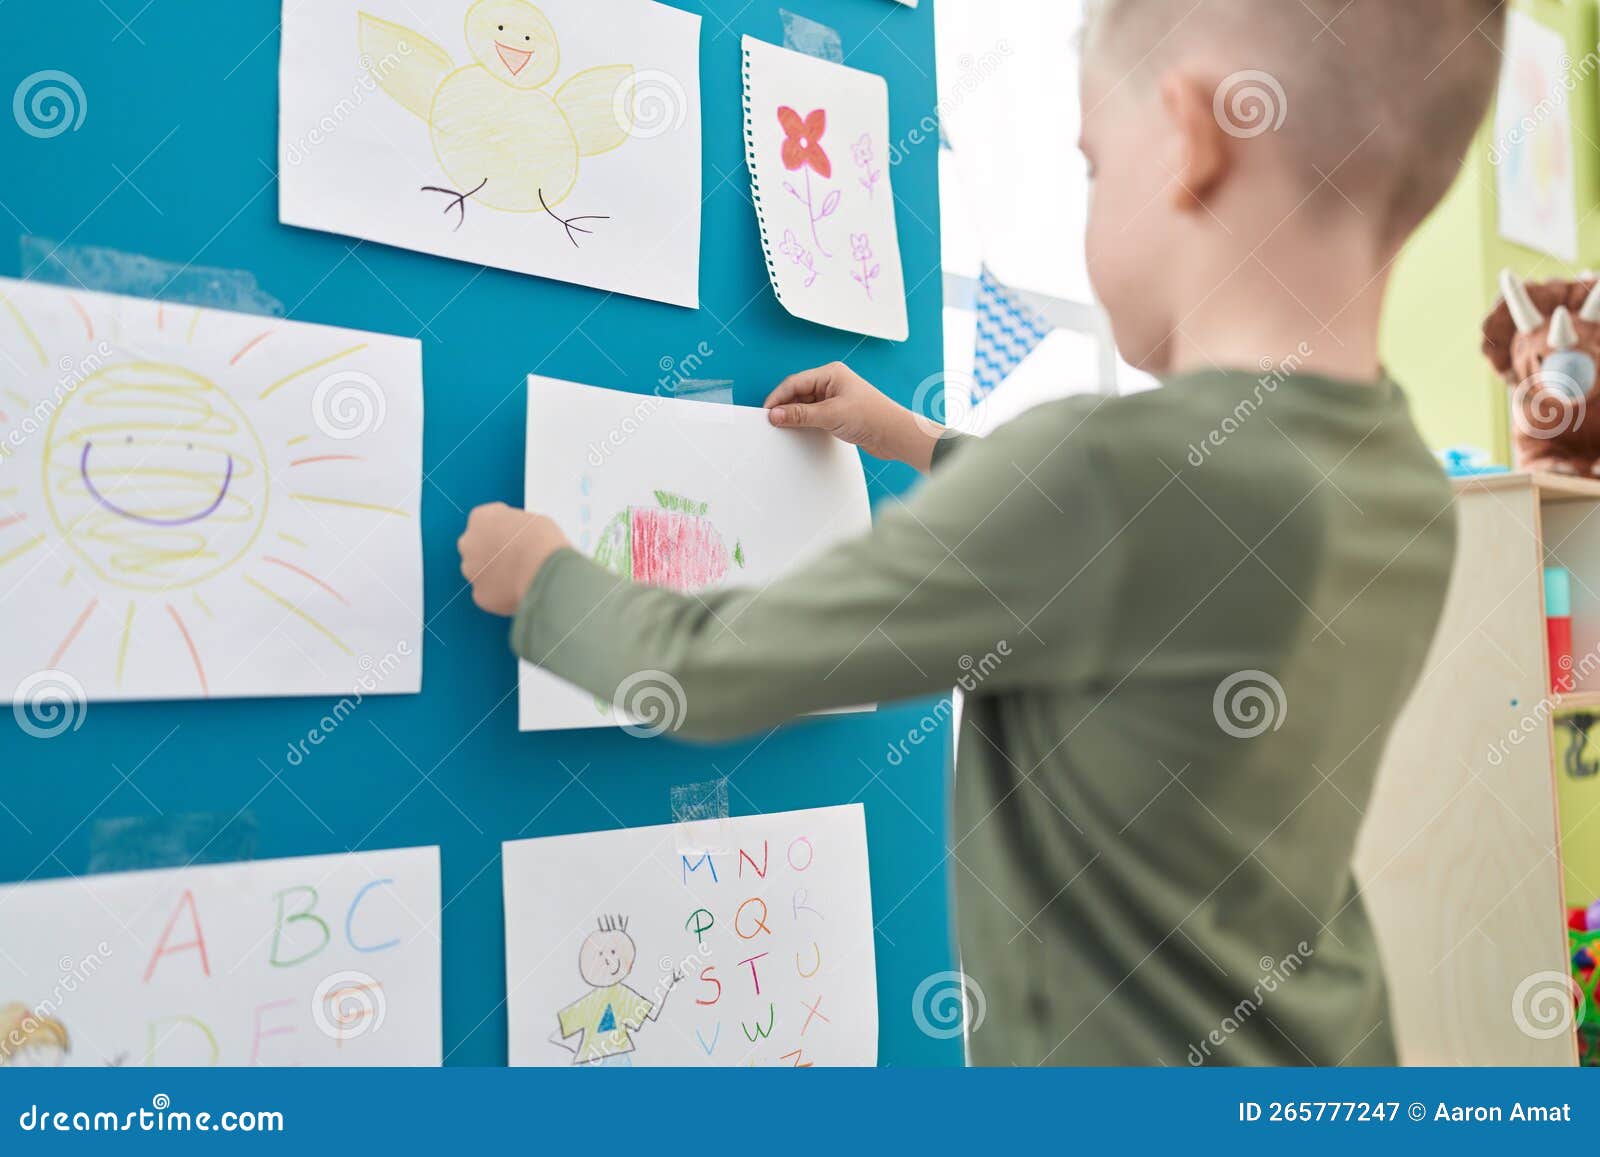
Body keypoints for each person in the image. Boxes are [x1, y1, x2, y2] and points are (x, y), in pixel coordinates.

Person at [459, 0, 1503, 1064]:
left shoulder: (1107, 473)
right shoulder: (1400, 478)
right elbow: (1141, 559)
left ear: (1191, 137)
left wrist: (540, 577)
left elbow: (704, 671)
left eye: (1092, 165)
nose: (1089, 195)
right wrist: (913, 439)